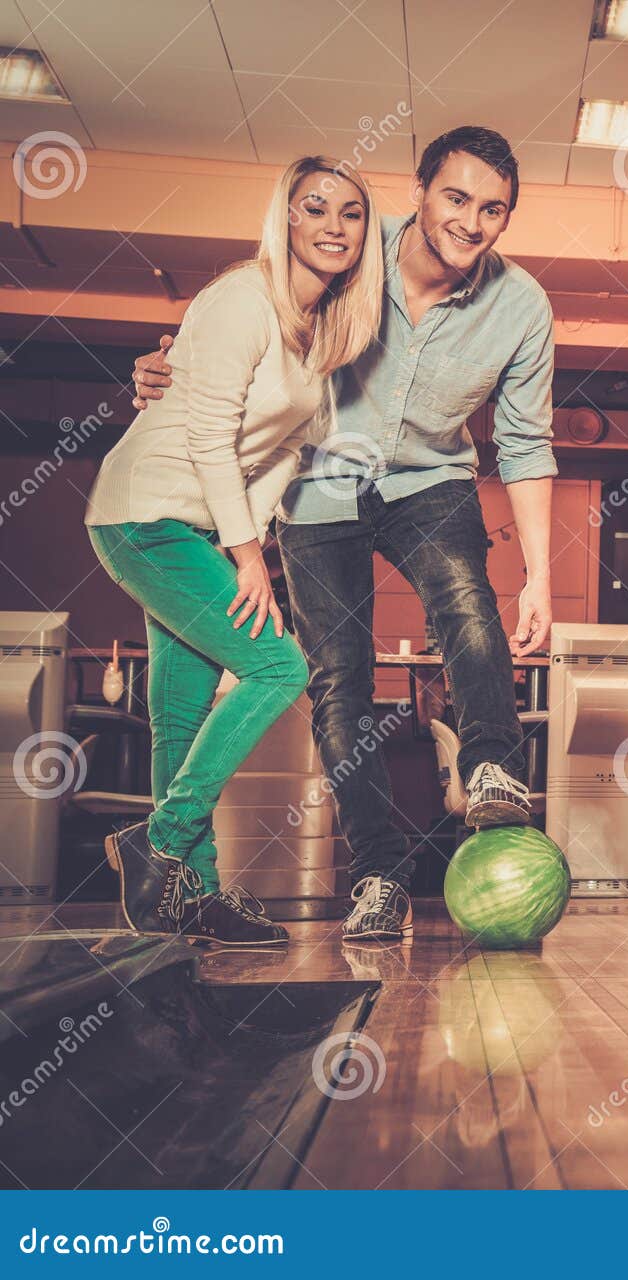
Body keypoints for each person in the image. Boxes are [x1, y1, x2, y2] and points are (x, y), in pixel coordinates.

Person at [129, 127, 559, 945]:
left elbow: (528, 444)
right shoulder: (356, 249)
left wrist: (539, 573)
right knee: (340, 683)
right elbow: (256, 308)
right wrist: (176, 362)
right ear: (422, 192)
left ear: (507, 218)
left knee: (466, 599)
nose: (471, 221)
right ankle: (378, 876)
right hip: (319, 478)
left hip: (430, 478)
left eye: (493, 208)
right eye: (456, 198)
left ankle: (492, 766)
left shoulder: (522, 306)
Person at [89, 155, 384, 946]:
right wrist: (246, 556)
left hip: (189, 527)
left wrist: (244, 547)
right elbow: (208, 436)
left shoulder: (320, 331)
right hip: (144, 513)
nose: (332, 224)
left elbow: (283, 454)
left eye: (350, 213)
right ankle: (158, 845)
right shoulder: (241, 298)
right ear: (285, 217)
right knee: (279, 666)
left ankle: (191, 897)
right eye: (314, 206)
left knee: (181, 714)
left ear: (365, 236)